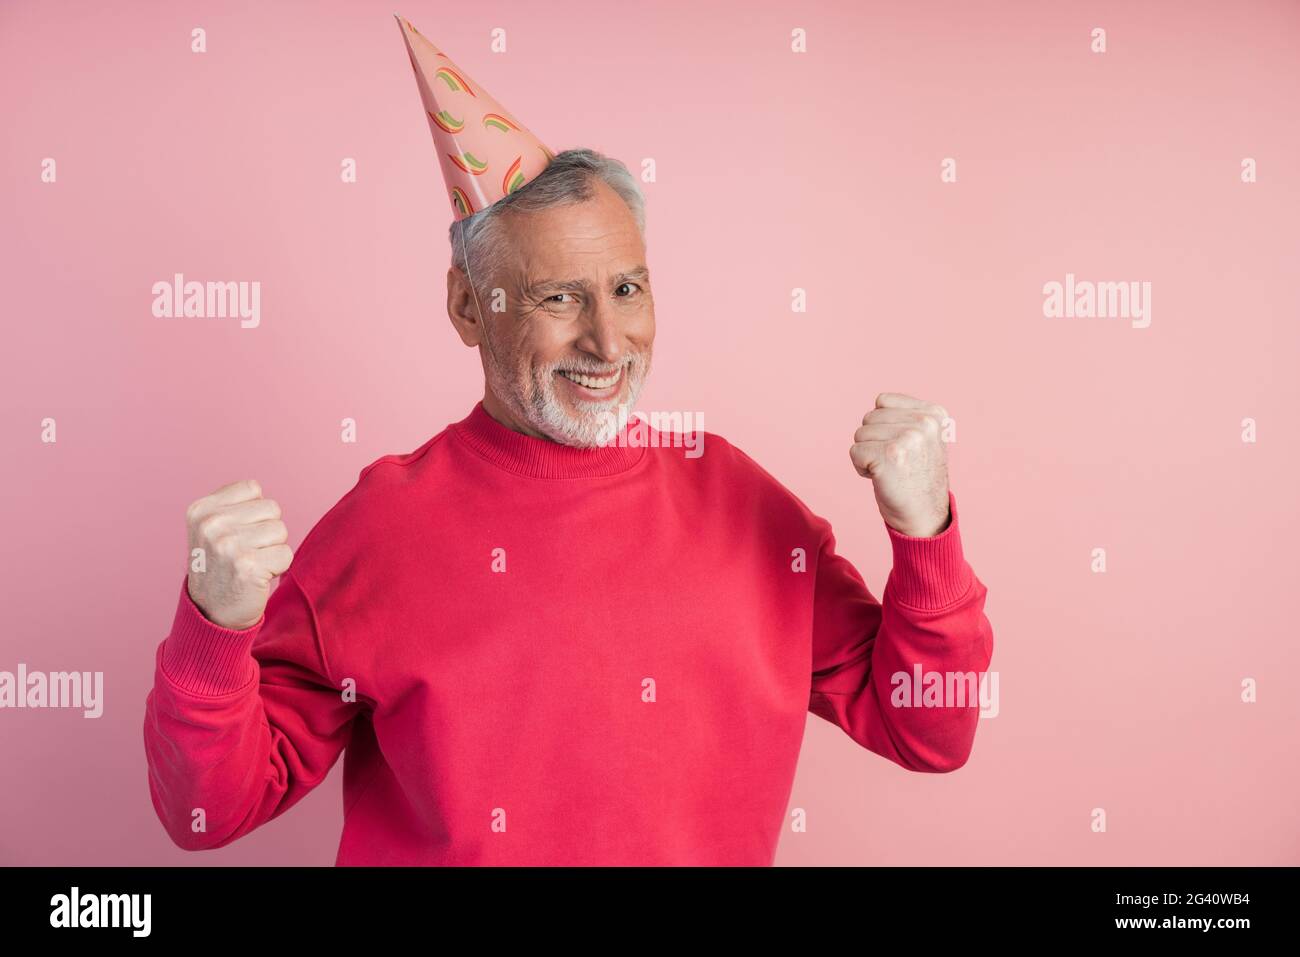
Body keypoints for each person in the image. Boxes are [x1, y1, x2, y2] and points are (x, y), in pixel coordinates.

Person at [142, 15, 994, 866]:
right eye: (558, 299)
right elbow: (208, 812)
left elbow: (928, 729)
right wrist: (215, 625)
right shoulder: (379, 530)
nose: (608, 342)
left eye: (626, 288)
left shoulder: (742, 504)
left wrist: (925, 539)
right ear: (470, 308)